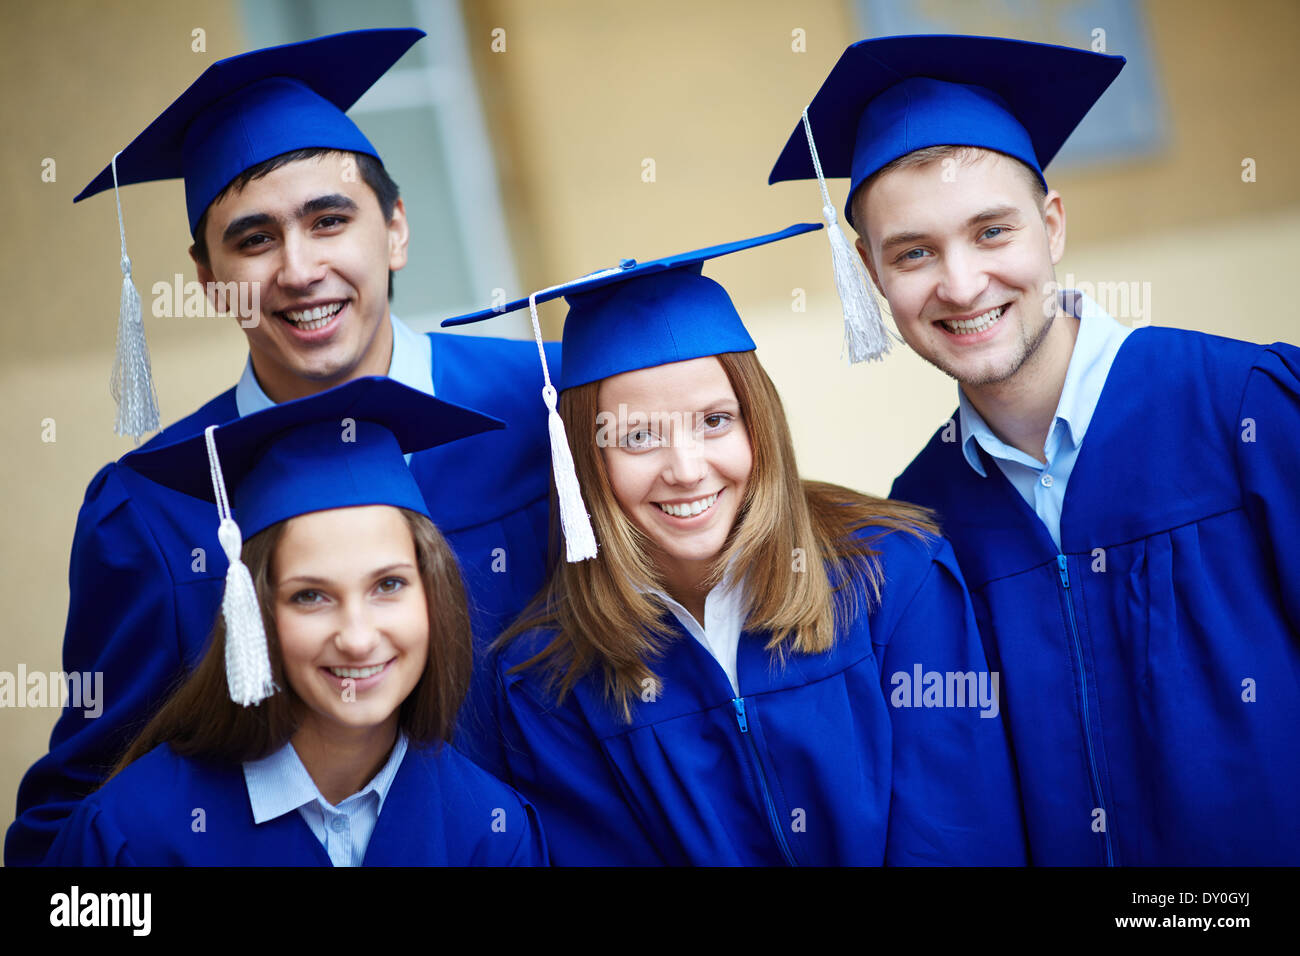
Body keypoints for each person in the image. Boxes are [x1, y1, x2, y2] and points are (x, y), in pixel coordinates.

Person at [8, 29, 557, 865]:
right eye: (254, 239)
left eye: (329, 220)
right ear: (207, 278)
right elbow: (75, 824)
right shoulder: (153, 505)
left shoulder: (541, 407)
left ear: (397, 229)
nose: (299, 270)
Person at [770, 34, 1300, 864]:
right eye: (914, 252)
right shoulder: (923, 519)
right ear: (872, 274)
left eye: (991, 232)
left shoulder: (1241, 408)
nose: (961, 284)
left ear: (1051, 226)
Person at [444, 224, 1027, 865]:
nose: (687, 469)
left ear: (759, 423)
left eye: (714, 421)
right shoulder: (550, 678)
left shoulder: (892, 575)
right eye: (639, 437)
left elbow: (957, 832)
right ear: (585, 458)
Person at [43, 377, 547, 866]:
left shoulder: (492, 834)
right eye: (310, 596)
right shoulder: (131, 838)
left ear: (433, 593)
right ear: (257, 614)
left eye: (388, 585)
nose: (357, 637)